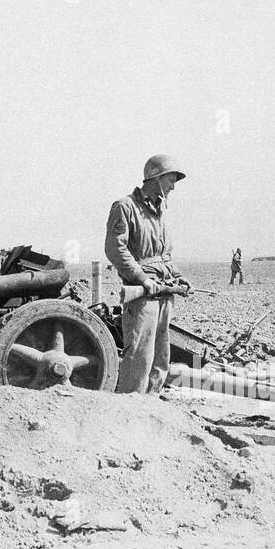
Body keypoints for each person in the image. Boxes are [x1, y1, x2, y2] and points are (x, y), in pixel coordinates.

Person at [104, 154, 189, 394]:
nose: (173, 187)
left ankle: (150, 405)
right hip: (143, 293)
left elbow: (163, 255)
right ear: (155, 178)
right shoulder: (125, 207)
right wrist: (142, 279)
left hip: (163, 291)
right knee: (140, 356)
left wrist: (177, 276)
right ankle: (130, 406)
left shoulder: (159, 210)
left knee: (160, 356)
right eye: (170, 180)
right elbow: (115, 248)